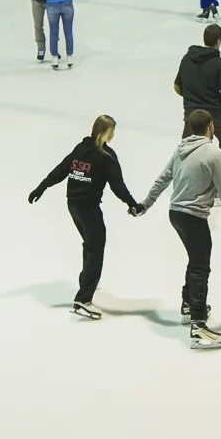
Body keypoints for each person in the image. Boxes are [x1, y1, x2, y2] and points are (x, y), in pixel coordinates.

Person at [136, 108, 221, 351]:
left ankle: (188, 305)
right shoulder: (214, 153)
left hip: (176, 213)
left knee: (195, 261)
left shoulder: (181, 149)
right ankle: (198, 325)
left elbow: (164, 178)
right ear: (210, 127)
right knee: (201, 266)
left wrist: (146, 204)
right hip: (193, 217)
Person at [28, 115, 142, 320]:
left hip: (73, 205)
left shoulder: (81, 149)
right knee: (96, 248)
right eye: (113, 131)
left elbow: (61, 170)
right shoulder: (106, 155)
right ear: (107, 132)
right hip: (88, 208)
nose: (114, 135)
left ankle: (86, 283)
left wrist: (41, 187)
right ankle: (83, 298)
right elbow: (118, 185)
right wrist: (133, 204)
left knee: (90, 245)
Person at [174, 24, 221, 163]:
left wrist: (192, 96)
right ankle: (219, 170)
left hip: (192, 113)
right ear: (219, 41)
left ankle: (186, 171)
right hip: (214, 114)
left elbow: (177, 86)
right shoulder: (220, 64)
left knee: (186, 146)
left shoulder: (187, 59)